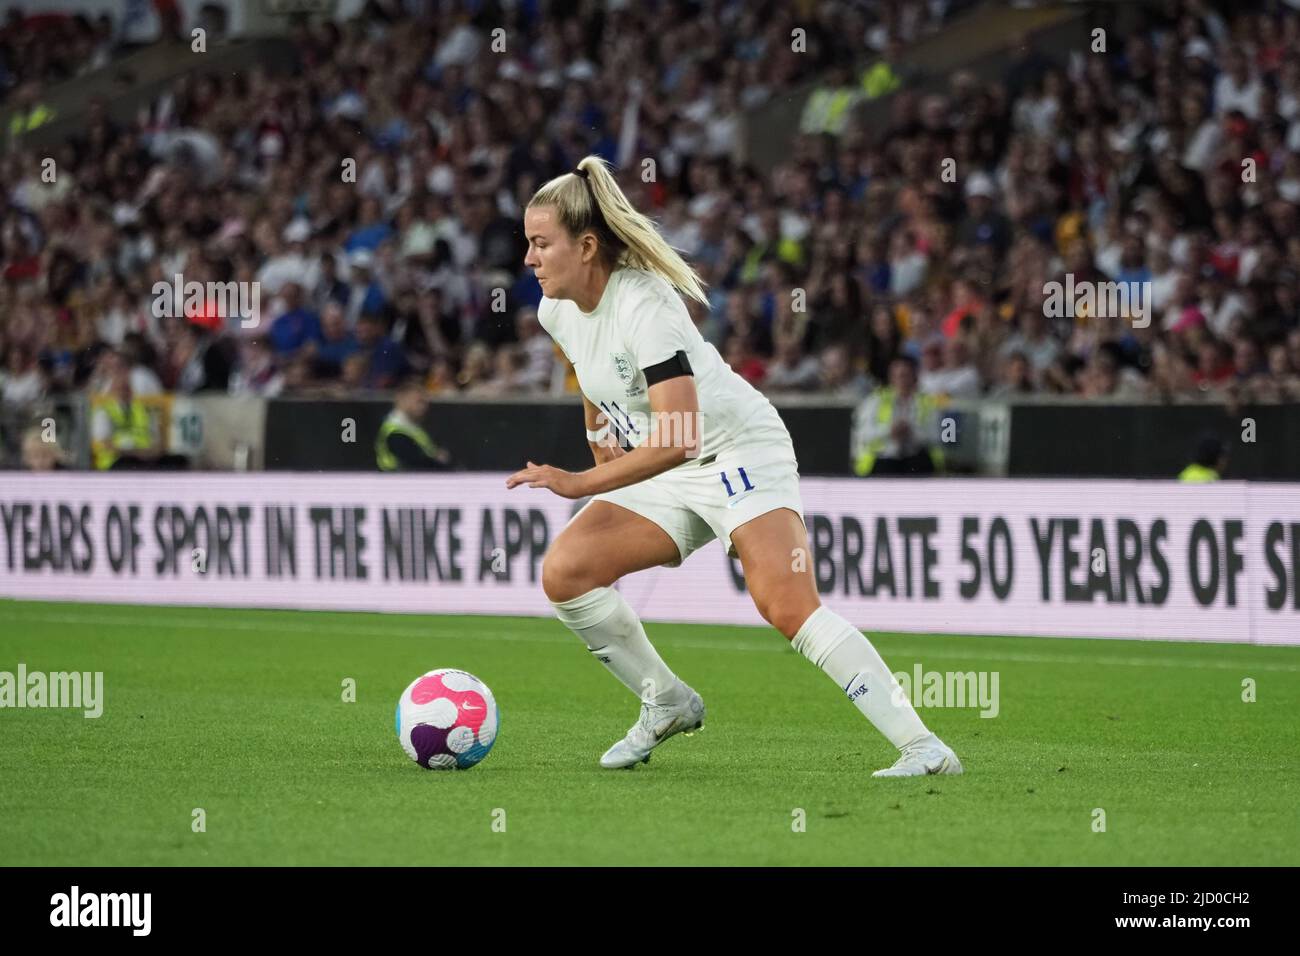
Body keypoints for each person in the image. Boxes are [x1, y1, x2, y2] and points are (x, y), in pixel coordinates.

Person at [505, 156, 961, 777]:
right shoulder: (555, 308)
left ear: (586, 246)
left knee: (784, 604)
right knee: (566, 571)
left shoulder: (645, 306)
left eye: (540, 244)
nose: (529, 259)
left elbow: (679, 439)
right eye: (527, 244)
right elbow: (589, 373)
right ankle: (666, 701)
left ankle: (925, 747)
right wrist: (598, 436)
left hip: (735, 451)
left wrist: (580, 483)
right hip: (665, 465)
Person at [851, 355, 944, 476]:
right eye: (897, 375)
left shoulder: (927, 402)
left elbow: (939, 436)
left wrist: (911, 433)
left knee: (919, 464)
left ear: (914, 376)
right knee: (886, 467)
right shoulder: (875, 401)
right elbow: (863, 434)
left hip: (916, 456)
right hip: (883, 457)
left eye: (905, 375)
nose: (901, 380)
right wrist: (889, 431)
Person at [375, 378, 451, 472]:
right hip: (398, 481)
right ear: (402, 400)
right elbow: (413, 461)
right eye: (419, 401)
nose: (424, 407)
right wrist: (437, 461)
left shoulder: (414, 428)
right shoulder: (395, 432)